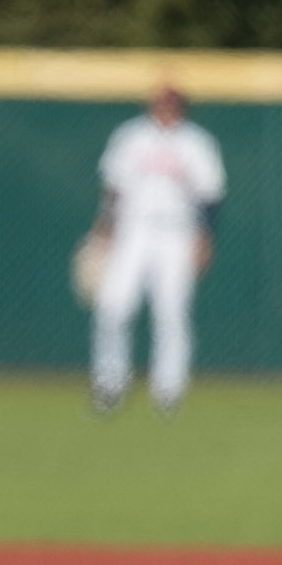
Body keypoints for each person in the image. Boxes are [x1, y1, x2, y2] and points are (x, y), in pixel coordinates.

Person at [84, 81, 226, 417]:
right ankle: (109, 382)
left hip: (177, 232)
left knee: (171, 313)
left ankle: (169, 391)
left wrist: (204, 238)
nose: (165, 108)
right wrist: (103, 230)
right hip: (132, 230)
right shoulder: (131, 137)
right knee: (113, 306)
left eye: (171, 103)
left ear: (181, 106)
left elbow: (210, 196)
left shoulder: (196, 142)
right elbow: (113, 189)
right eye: (160, 102)